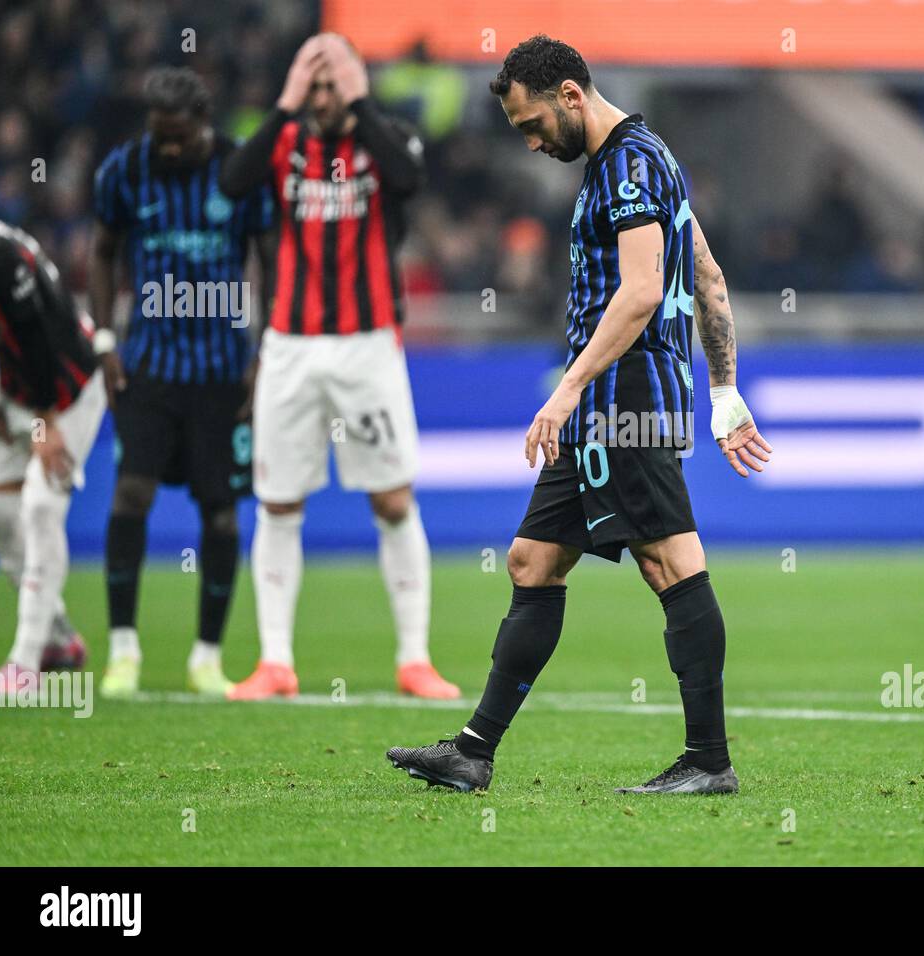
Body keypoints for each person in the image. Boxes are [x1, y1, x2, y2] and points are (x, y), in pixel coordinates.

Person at [387, 35, 771, 794]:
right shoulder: (638, 163)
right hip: (608, 401)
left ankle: (709, 761)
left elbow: (639, 292)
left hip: (624, 400)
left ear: (570, 94)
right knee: (533, 561)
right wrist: (724, 391)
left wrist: (564, 391)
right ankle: (473, 751)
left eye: (532, 124)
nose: (530, 143)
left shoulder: (629, 163)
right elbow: (709, 276)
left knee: (670, 564)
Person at [218, 34, 459, 701]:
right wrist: (285, 101)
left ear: (353, 84)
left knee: (391, 497)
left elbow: (408, 180)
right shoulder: (281, 143)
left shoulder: (388, 141)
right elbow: (231, 182)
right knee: (278, 500)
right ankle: (275, 662)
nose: (323, 99)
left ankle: (414, 658)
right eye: (314, 86)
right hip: (289, 345)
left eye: (334, 85)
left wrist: (360, 97)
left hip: (366, 343)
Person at [90, 66, 275, 698]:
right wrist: (105, 338)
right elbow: (103, 250)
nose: (168, 149)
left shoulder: (238, 168)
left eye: (180, 137)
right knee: (130, 497)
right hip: (148, 368)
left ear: (204, 121)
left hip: (222, 373)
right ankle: (123, 652)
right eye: (159, 135)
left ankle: (206, 656)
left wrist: (265, 351)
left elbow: (269, 258)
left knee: (220, 516)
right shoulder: (124, 169)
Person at [0, 219, 104, 692]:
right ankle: (58, 640)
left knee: (39, 507)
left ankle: (25, 664)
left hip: (67, 390)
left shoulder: (1, 256)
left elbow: (33, 334)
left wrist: (44, 421)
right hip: (20, 389)